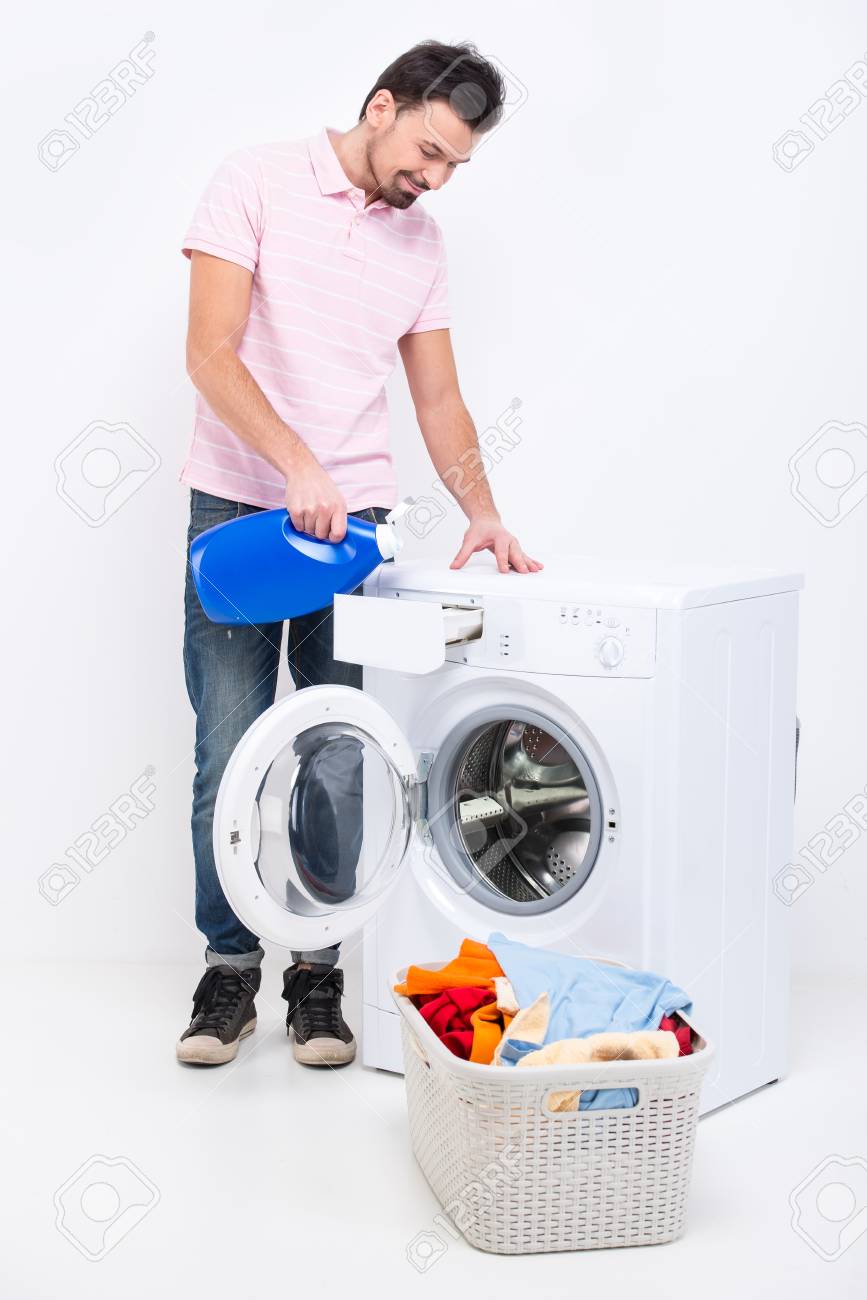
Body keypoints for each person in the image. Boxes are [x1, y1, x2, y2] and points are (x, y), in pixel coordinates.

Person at [177, 39, 543, 1069]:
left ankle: (317, 976)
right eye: (429, 150)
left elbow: (438, 398)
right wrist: (297, 463)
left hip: (356, 530)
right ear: (382, 107)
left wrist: (483, 511)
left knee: (340, 754)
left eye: (455, 165)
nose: (435, 177)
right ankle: (228, 969)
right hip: (240, 513)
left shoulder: (421, 246)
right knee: (227, 754)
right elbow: (209, 352)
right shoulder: (252, 179)